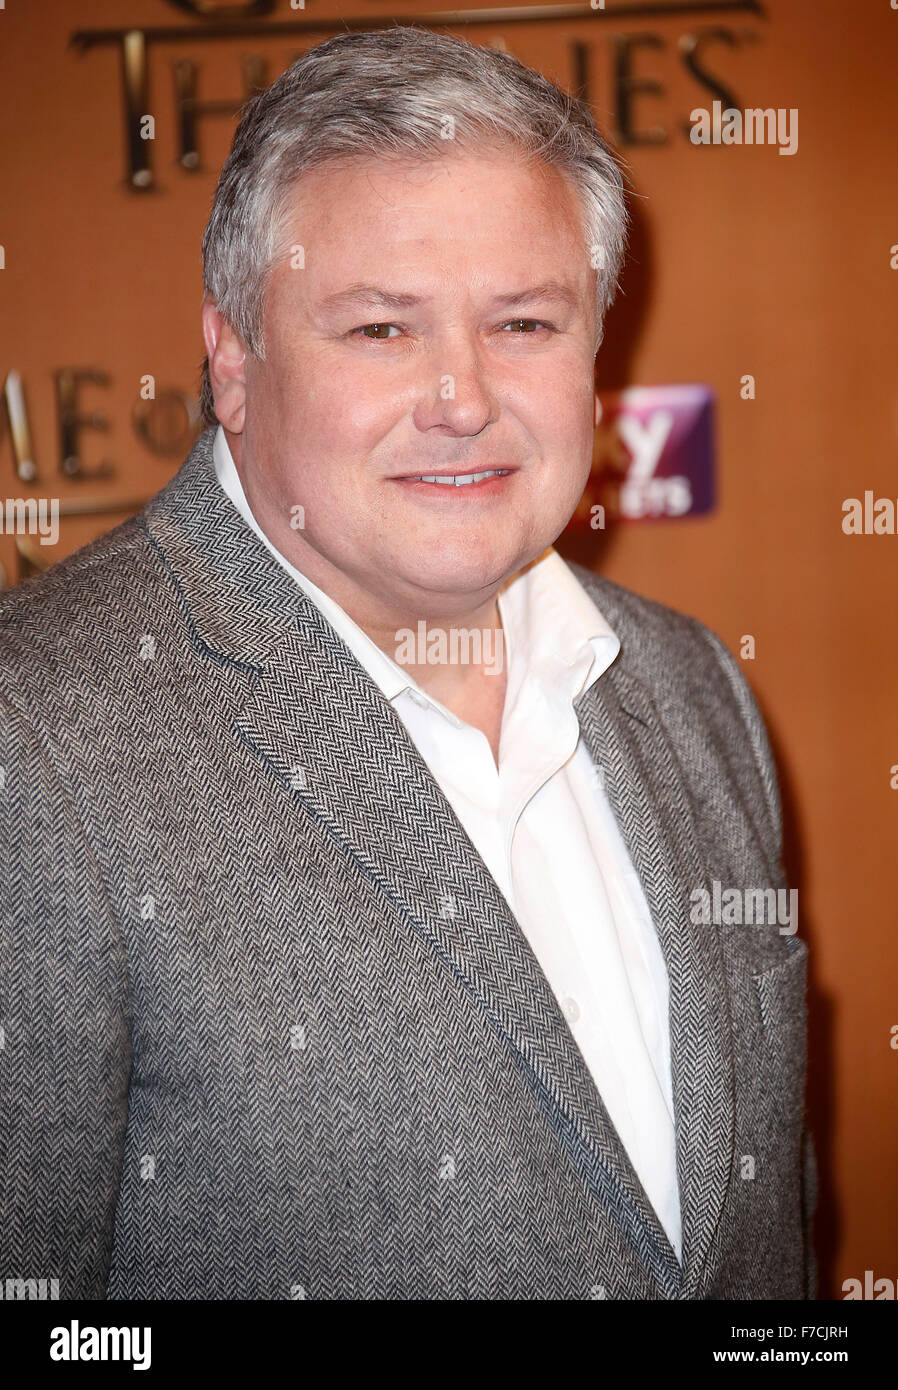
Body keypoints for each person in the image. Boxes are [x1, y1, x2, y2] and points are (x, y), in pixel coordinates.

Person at [0, 26, 814, 1300]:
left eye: (525, 321)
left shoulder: (691, 685)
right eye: (381, 329)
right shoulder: (34, 743)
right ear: (232, 361)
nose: (462, 397)